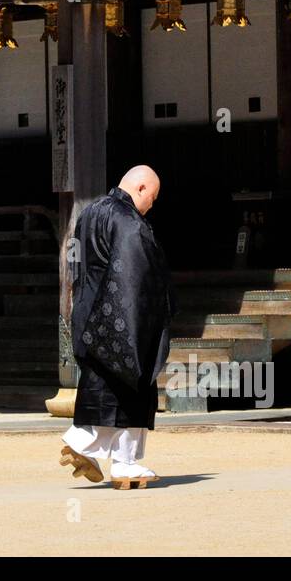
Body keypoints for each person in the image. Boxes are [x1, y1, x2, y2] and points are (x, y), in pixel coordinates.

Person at [59, 165, 177, 489]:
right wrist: (145, 319)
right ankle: (111, 457)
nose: (151, 206)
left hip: (89, 317)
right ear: (140, 188)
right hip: (119, 318)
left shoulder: (90, 213)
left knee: (106, 390)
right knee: (129, 387)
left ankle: (101, 451)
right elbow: (134, 277)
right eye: (151, 198)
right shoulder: (129, 223)